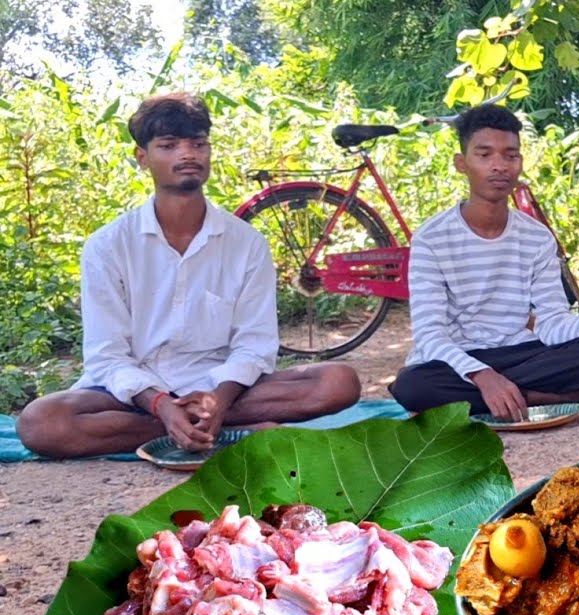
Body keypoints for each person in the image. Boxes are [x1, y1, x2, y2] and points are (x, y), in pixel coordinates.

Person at [16, 92, 361, 459]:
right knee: (40, 423)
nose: (187, 155)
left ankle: (201, 424)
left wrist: (219, 399)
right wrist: (162, 405)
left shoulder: (246, 243)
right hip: (136, 396)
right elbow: (108, 356)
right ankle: (226, 431)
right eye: (168, 145)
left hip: (225, 387)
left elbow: (255, 345)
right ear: (142, 158)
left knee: (338, 382)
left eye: (198, 144)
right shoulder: (108, 246)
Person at [390, 104, 579, 420]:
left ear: (520, 162)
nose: (499, 166)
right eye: (485, 155)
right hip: (459, 361)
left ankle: (514, 395)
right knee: (411, 386)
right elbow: (431, 336)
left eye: (510, 155)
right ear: (461, 164)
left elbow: (552, 323)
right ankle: (548, 396)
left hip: (523, 355)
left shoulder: (537, 237)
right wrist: (483, 376)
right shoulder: (432, 237)